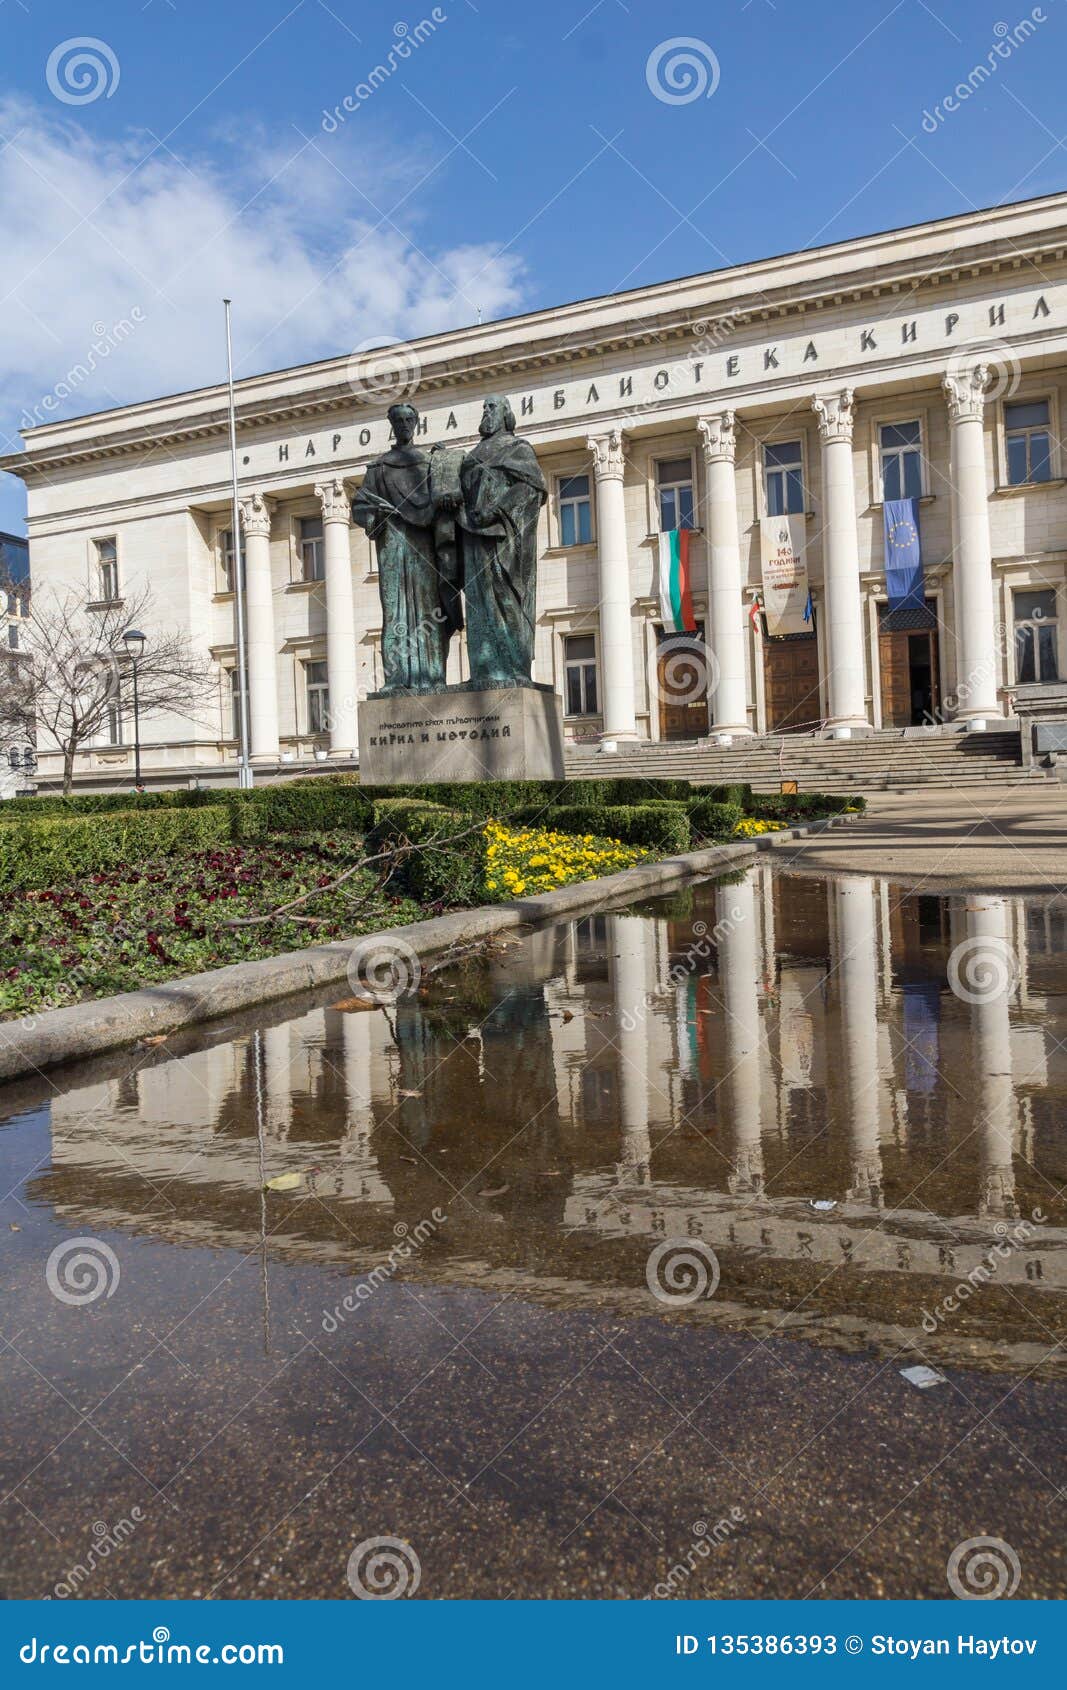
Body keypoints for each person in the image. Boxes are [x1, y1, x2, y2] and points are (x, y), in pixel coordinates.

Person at [351, 403, 461, 693]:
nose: (403, 425)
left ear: (416, 423)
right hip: (393, 548)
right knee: (395, 612)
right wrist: (375, 515)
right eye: (398, 420)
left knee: (429, 609)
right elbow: (361, 505)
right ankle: (397, 678)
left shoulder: (429, 463)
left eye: (408, 420)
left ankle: (432, 676)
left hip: (425, 547)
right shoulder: (378, 468)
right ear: (392, 424)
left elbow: (448, 499)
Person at [458, 395, 547, 688]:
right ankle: (484, 669)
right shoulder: (472, 456)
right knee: (477, 602)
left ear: (506, 414)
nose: (486, 411)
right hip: (473, 537)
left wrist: (496, 510)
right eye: (484, 407)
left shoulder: (518, 449)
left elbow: (532, 489)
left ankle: (513, 667)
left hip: (504, 538)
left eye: (492, 407)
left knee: (505, 596)